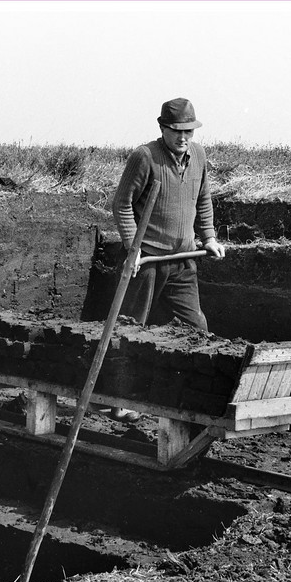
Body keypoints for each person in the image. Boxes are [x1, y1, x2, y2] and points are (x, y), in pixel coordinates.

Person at [109, 97, 225, 422]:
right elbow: (121, 204)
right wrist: (133, 251)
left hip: (184, 260)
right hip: (146, 262)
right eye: (176, 131)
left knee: (196, 328)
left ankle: (190, 397)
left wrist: (210, 238)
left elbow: (203, 200)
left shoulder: (199, 156)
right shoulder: (144, 157)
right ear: (162, 128)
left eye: (189, 130)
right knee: (132, 328)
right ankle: (122, 399)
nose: (183, 137)